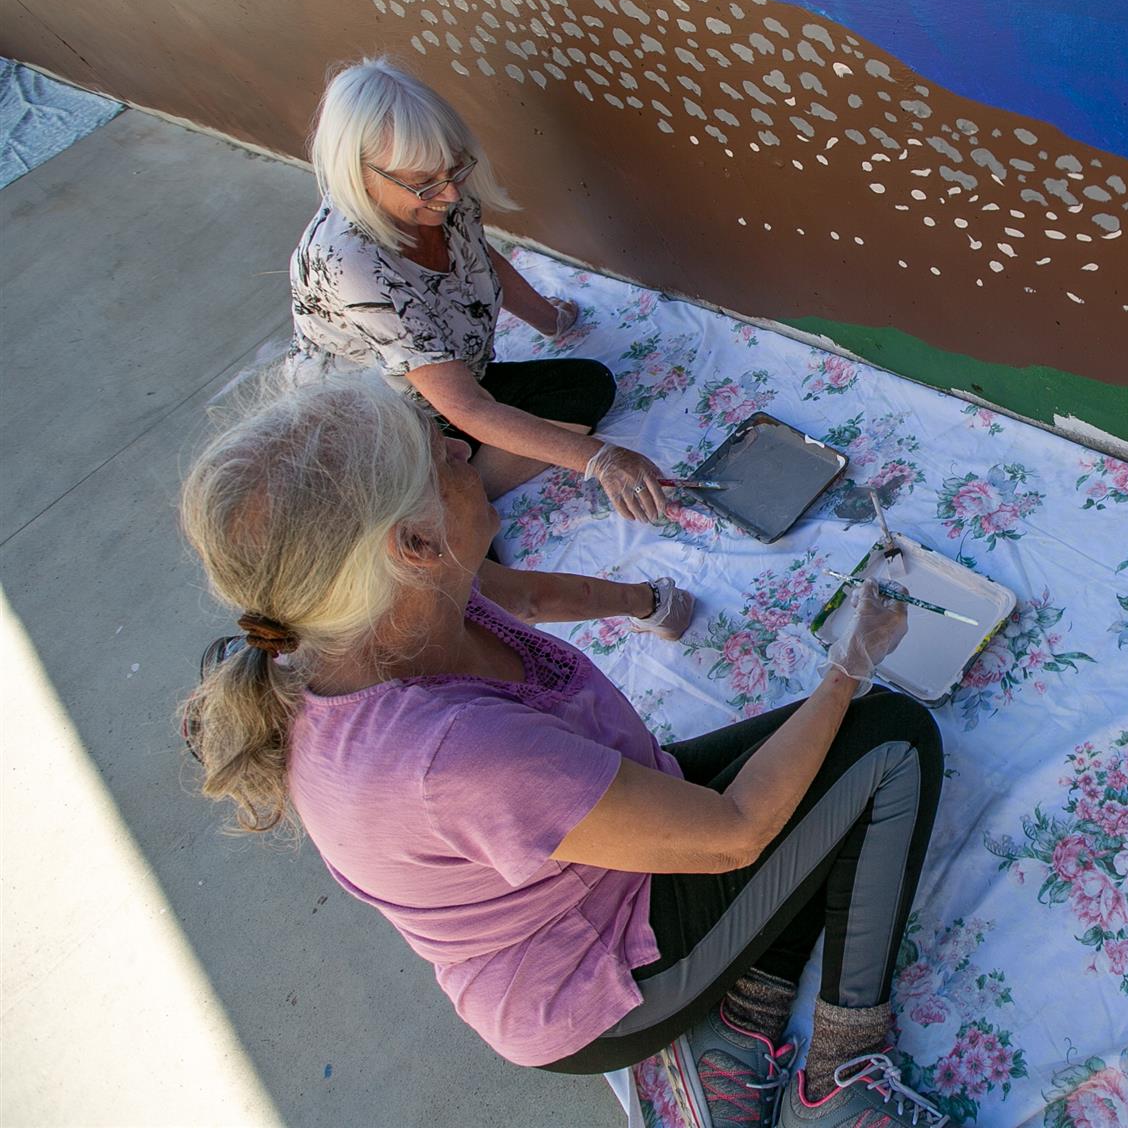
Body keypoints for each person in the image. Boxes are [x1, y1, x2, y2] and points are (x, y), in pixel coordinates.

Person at [179, 374, 952, 1128]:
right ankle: (839, 1075)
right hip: (600, 990)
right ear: (411, 543)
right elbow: (736, 832)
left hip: (590, 868)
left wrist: (647, 599)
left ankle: (737, 1031)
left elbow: (526, 596)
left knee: (824, 767)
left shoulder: (381, 612)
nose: (458, 446)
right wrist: (847, 666)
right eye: (434, 453)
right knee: (891, 743)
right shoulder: (451, 756)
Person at [287, 56, 680, 529]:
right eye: (424, 183)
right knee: (456, 561)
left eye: (453, 170)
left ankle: (452, 489)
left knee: (586, 386)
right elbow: (466, 406)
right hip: (384, 429)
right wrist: (602, 460)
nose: (450, 194)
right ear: (360, 173)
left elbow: (477, 257)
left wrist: (546, 319)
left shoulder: (439, 193)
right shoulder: (347, 263)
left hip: (450, 389)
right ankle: (442, 508)